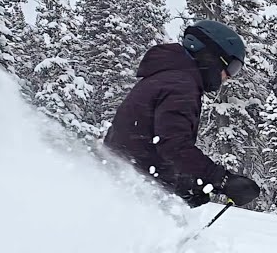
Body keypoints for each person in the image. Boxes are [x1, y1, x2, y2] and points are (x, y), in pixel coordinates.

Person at [102, 19, 261, 209]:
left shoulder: (166, 77)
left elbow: (145, 141)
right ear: (212, 56)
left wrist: (181, 185)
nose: (228, 76)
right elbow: (173, 145)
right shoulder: (181, 85)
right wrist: (223, 180)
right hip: (127, 193)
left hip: (122, 182)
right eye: (232, 67)